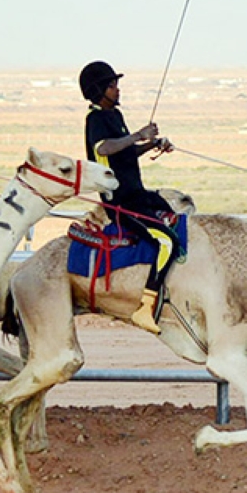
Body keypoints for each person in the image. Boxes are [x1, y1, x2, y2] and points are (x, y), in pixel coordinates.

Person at [79, 59, 178, 331]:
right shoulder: (96, 119)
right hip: (120, 203)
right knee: (165, 241)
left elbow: (126, 151)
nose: (117, 90)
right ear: (99, 90)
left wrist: (151, 144)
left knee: (175, 217)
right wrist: (137, 135)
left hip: (137, 193)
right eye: (112, 86)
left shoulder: (116, 117)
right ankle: (145, 307)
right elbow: (106, 148)